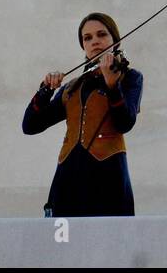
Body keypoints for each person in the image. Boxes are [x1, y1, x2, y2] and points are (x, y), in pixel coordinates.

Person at [22, 12, 144, 216]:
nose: (95, 41)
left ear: (115, 40)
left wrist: (113, 86)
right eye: (87, 38)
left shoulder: (129, 77)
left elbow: (125, 122)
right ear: (83, 46)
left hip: (109, 180)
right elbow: (30, 126)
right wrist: (45, 90)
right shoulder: (72, 87)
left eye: (101, 34)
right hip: (68, 181)